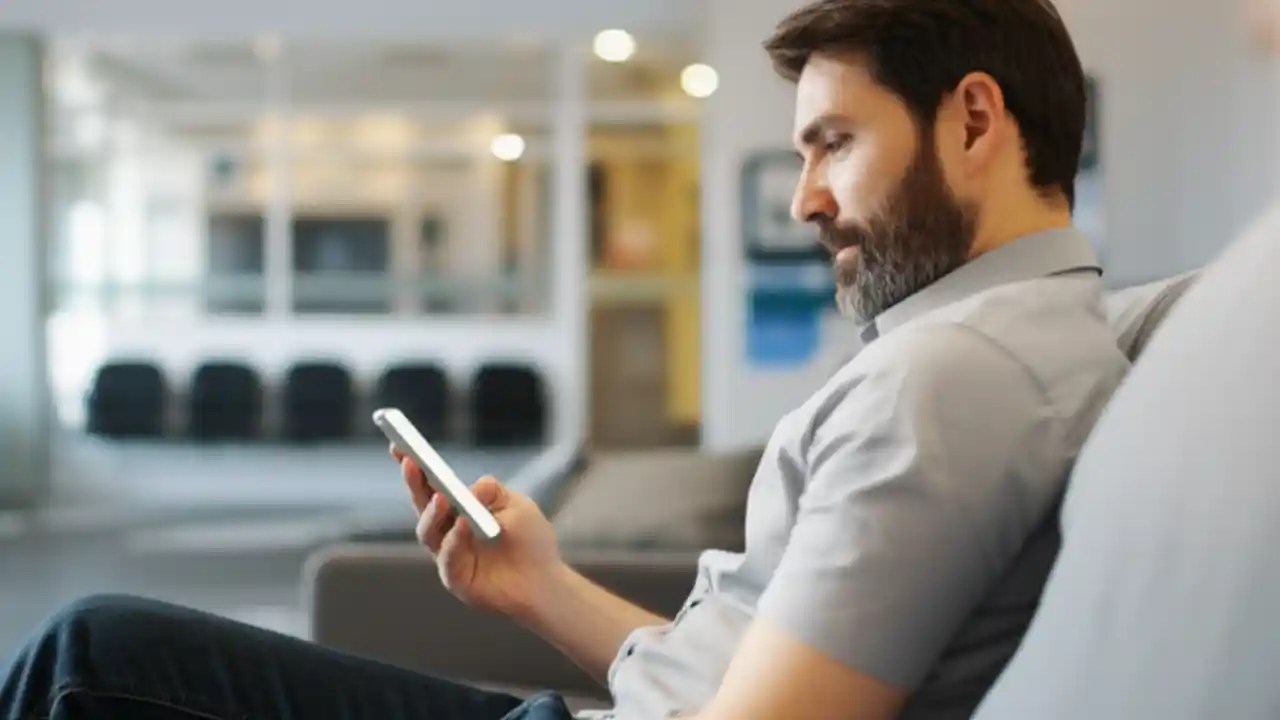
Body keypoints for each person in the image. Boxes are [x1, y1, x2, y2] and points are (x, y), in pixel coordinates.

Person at [0, 1, 1128, 719]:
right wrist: (536, 588)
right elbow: (736, 676)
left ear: (973, 122)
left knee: (91, 657)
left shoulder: (948, 382)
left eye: (833, 141)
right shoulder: (1025, 342)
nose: (803, 198)